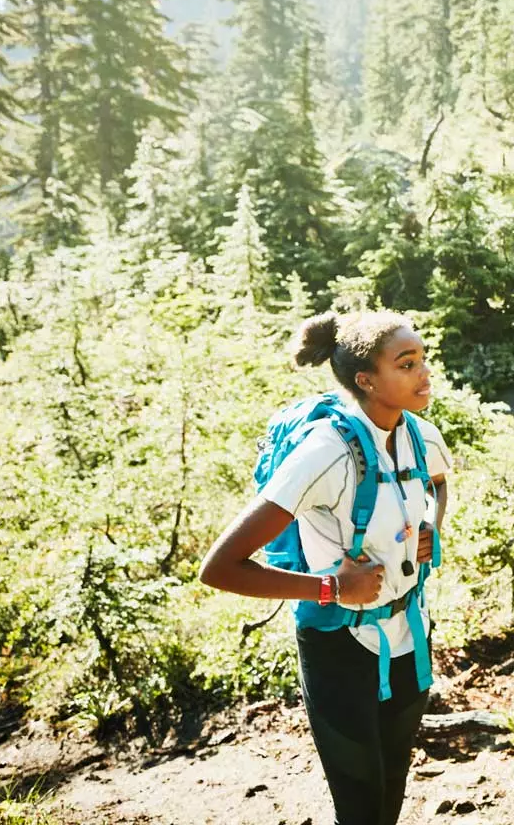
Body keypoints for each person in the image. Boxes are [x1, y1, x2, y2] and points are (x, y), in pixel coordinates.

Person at [200, 310, 451, 825]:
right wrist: (332, 587)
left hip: (410, 637)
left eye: (423, 359)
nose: (424, 373)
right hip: (341, 650)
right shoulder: (326, 452)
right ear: (366, 380)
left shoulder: (417, 433)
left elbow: (439, 482)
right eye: (406, 364)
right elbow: (220, 567)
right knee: (360, 808)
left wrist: (431, 524)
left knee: (391, 794)